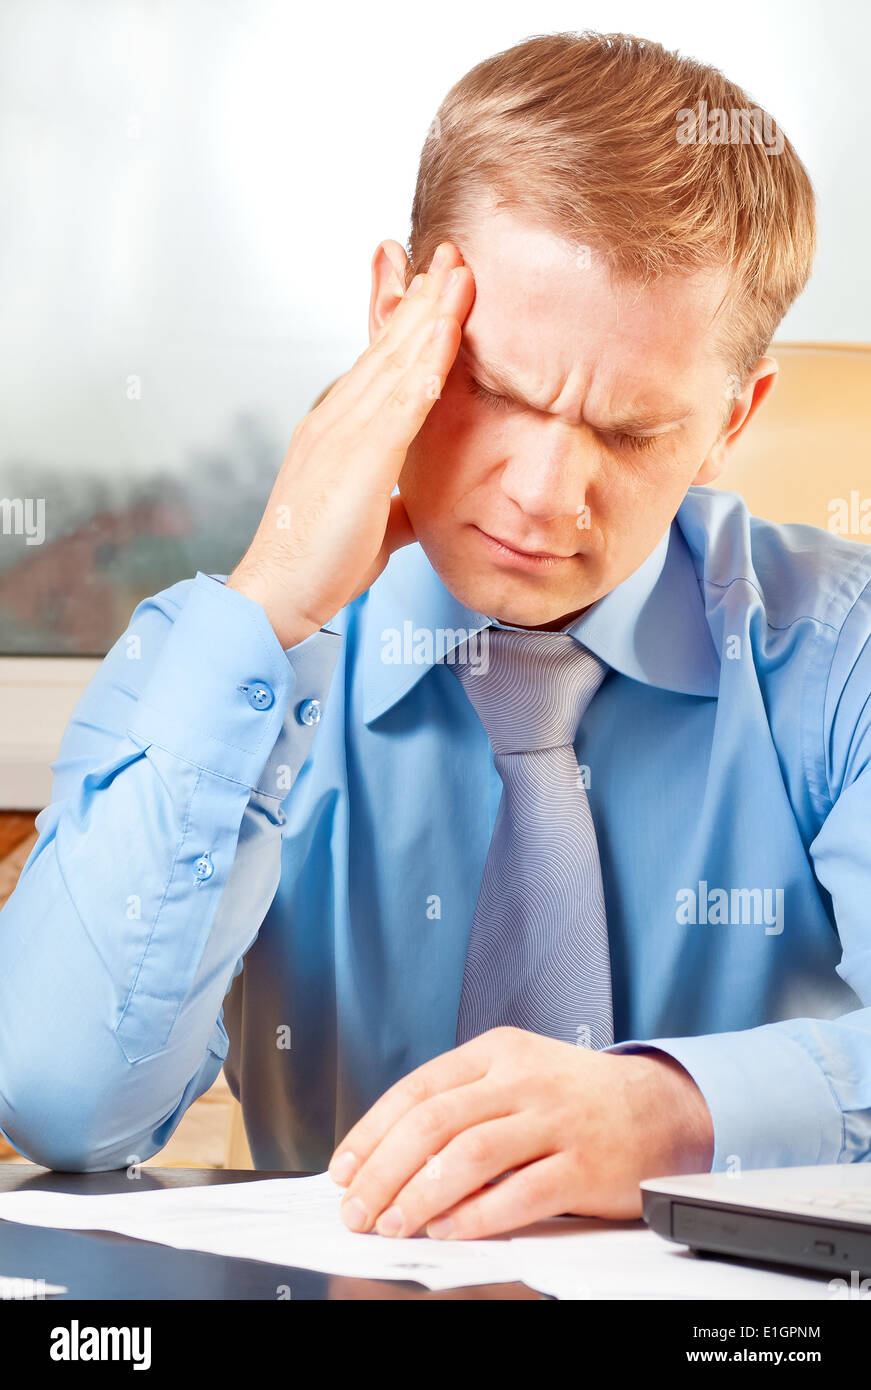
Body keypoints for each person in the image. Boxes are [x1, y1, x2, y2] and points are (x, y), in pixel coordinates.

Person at [2, 31, 869, 1243]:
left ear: (736, 416)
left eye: (629, 430)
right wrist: (268, 608)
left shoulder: (840, 655)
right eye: (501, 388)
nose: (543, 493)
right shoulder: (226, 666)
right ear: (392, 314)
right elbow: (59, 1101)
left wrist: (669, 1114)